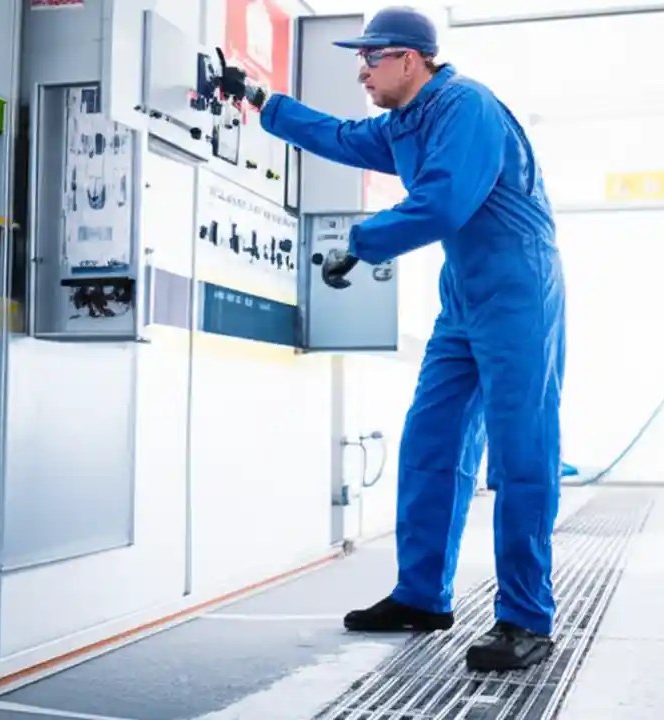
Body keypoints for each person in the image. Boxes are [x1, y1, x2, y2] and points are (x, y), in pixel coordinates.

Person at [238, 5, 566, 672]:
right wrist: (261, 101)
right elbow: (338, 136)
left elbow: (443, 202)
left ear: (410, 59)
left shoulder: (465, 106)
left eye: (371, 57)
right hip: (464, 296)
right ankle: (422, 595)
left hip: (518, 289)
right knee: (431, 441)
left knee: (520, 451)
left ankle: (525, 619)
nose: (361, 69)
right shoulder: (406, 123)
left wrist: (360, 241)